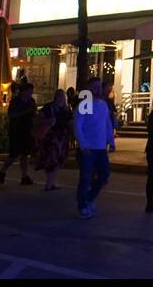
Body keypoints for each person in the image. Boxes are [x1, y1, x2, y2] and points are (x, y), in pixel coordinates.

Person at [74, 77, 116, 219]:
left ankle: (88, 199)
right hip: (88, 148)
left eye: (99, 87)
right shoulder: (84, 105)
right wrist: (83, 144)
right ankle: (82, 206)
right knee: (86, 178)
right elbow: (77, 126)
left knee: (104, 175)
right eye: (94, 87)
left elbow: (107, 123)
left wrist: (111, 140)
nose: (98, 90)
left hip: (100, 148)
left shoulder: (103, 104)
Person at [0, 81, 37, 185]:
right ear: (23, 92)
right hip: (17, 130)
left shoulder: (31, 101)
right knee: (14, 154)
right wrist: (25, 112)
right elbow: (11, 115)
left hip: (27, 130)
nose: (30, 93)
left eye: (31, 91)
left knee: (25, 154)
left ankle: (24, 176)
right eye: (29, 91)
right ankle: (3, 171)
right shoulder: (16, 101)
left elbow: (33, 113)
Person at [34, 89, 73, 191]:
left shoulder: (66, 109)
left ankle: (50, 183)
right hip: (51, 136)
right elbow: (39, 118)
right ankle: (49, 183)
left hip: (62, 136)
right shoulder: (49, 107)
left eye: (62, 96)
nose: (60, 98)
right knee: (52, 160)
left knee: (58, 160)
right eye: (59, 96)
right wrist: (49, 121)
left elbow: (70, 122)